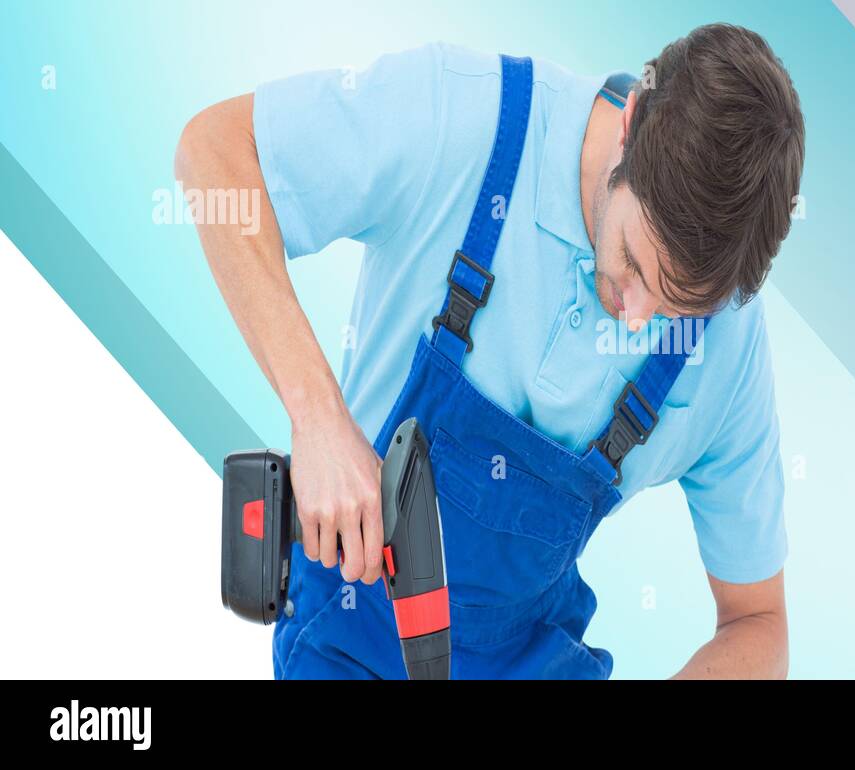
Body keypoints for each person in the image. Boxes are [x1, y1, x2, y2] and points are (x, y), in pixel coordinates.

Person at [175, 22, 805, 679]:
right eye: (636, 267)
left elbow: (759, 623)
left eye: (680, 306)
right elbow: (215, 150)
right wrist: (319, 421)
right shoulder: (463, 116)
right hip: (348, 643)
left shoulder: (727, 350)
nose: (640, 320)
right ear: (632, 122)